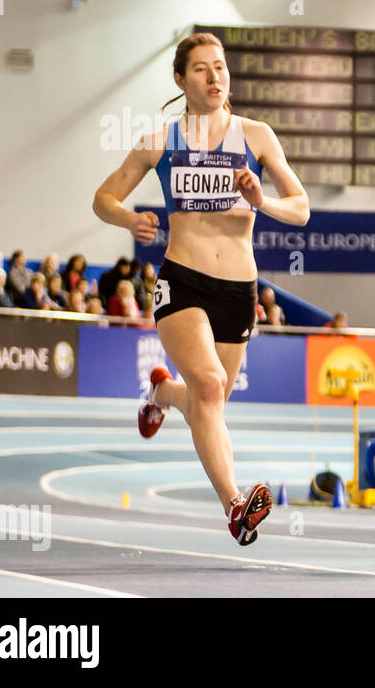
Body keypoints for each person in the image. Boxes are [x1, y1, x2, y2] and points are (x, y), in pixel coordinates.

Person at [93, 31, 310, 545]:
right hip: (183, 281)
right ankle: (235, 505)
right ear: (180, 79)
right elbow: (103, 197)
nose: (215, 77)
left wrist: (261, 201)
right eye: (201, 69)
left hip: (238, 289)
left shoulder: (256, 136)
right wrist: (129, 219)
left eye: (221, 67)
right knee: (210, 388)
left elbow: (301, 209)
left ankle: (161, 393)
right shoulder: (160, 141)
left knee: (206, 404)